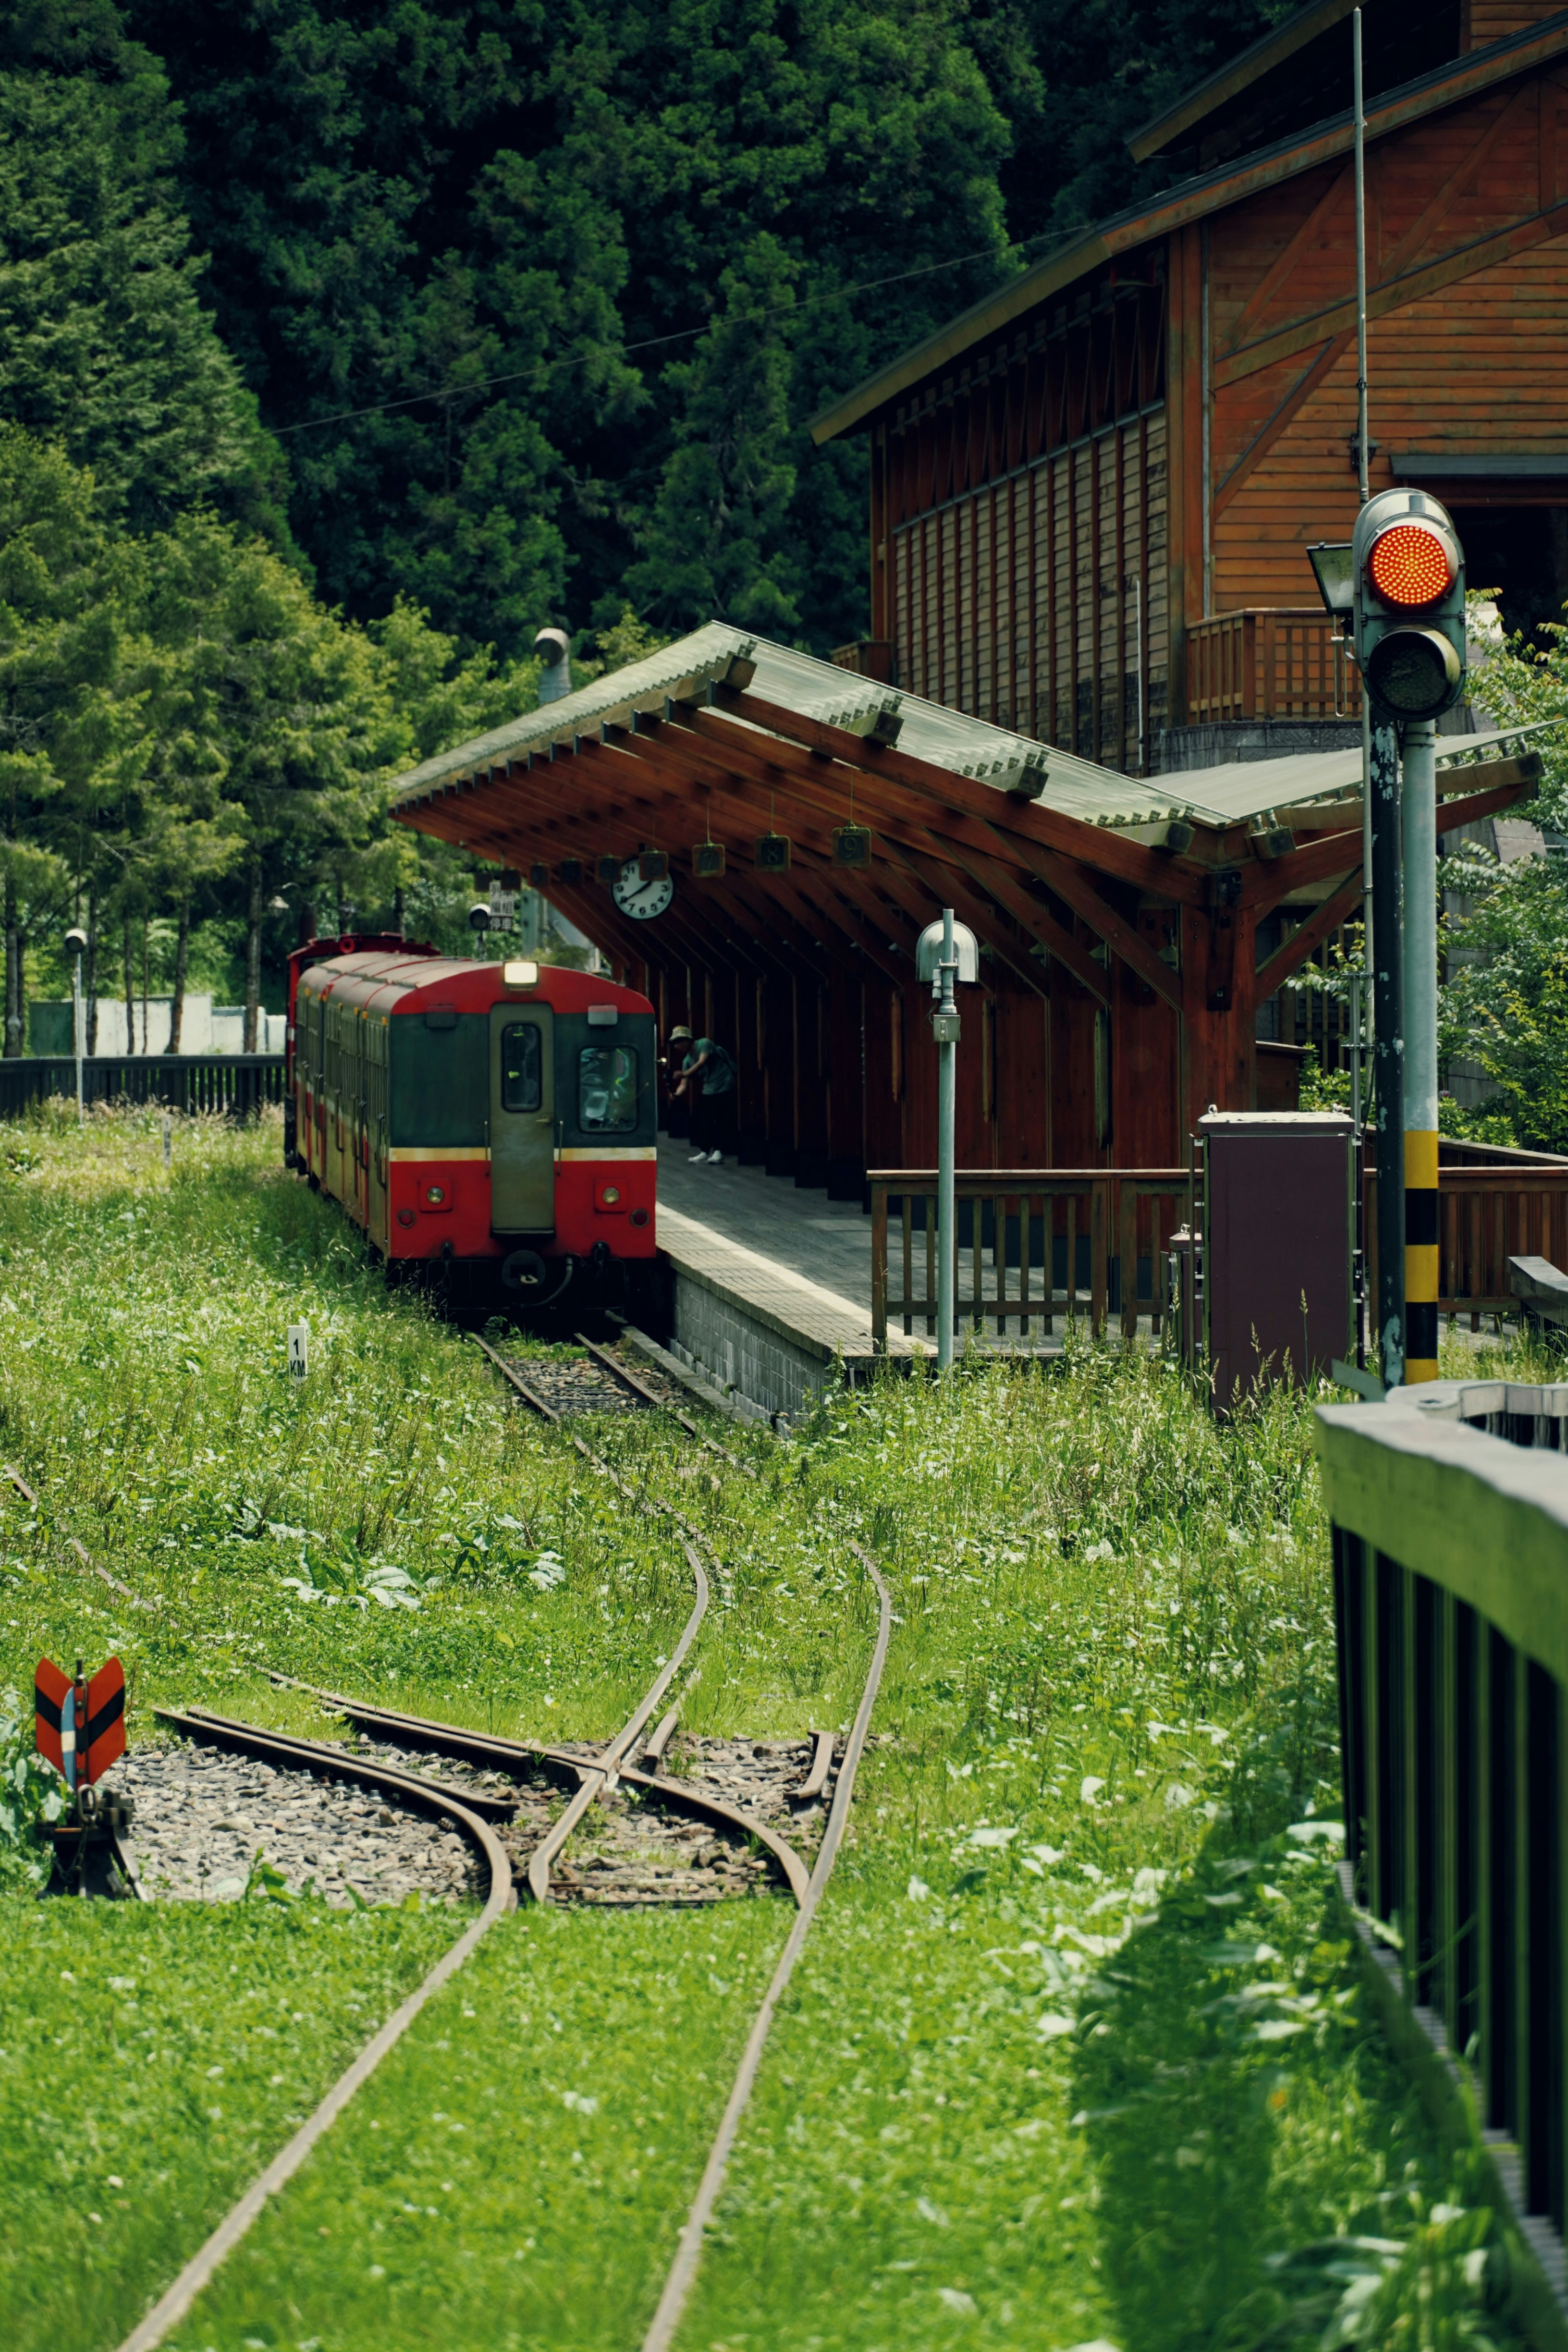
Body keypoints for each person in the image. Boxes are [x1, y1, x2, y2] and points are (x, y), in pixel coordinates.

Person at [668, 1024, 736, 1163]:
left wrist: (684, 1074)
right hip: (710, 1087)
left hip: (725, 1083)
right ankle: (705, 1150)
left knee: (721, 1119)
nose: (679, 1045)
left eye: (681, 1040)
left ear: (689, 1039)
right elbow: (684, 1084)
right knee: (701, 1118)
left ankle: (719, 1151)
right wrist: (676, 1094)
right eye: (676, 1043)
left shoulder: (704, 1043)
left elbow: (702, 1061)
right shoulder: (686, 1061)